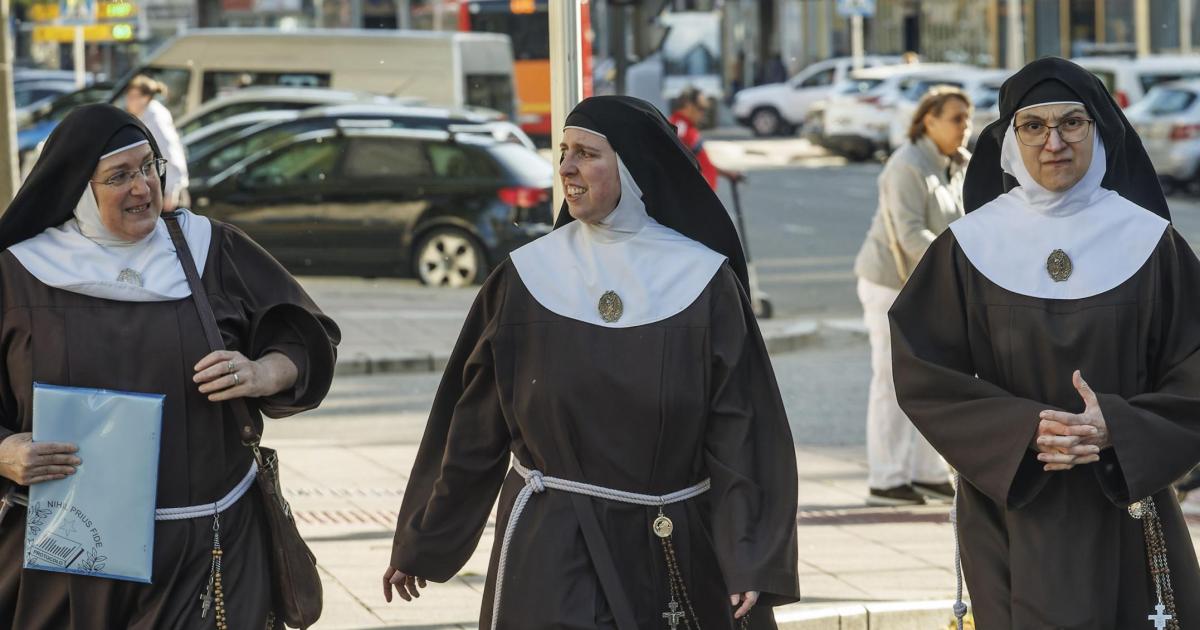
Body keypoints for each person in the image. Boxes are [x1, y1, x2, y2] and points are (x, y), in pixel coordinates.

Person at [383, 95, 801, 629]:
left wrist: (749, 556)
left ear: (631, 166)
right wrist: (425, 537)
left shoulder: (703, 282)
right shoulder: (526, 278)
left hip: (669, 546)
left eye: (586, 153)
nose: (566, 169)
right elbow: (471, 424)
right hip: (551, 546)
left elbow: (743, 433)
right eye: (563, 152)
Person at [0, 104, 340, 629]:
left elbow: (307, 339)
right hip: (65, 555)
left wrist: (262, 372)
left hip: (207, 550)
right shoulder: (19, 275)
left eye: (147, 167)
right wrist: (4, 453)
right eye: (119, 176)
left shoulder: (210, 248)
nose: (142, 187)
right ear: (78, 189)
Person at [892, 57, 1200, 627]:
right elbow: (922, 371)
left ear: (1099, 131)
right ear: (1010, 139)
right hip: (1016, 506)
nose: (1053, 142)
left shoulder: (1151, 242)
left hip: (1127, 503)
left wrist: (1121, 427)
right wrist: (1022, 430)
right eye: (1033, 126)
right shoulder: (970, 246)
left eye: (1072, 123)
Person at [852, 86, 972, 506]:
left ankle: (927, 472)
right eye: (957, 117)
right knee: (890, 381)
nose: (965, 126)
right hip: (890, 284)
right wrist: (965, 260)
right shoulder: (906, 165)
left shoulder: (956, 164)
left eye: (968, 117)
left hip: (929, 288)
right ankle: (886, 480)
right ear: (929, 121)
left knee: (934, 381)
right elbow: (909, 236)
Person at [124, 75, 189, 212]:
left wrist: (172, 190)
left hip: (170, 193)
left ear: (145, 98)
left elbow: (171, 152)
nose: (128, 101)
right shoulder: (145, 115)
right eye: (128, 96)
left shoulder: (155, 117)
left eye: (133, 96)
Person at [670, 86, 743, 190]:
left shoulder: (686, 127)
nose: (703, 114)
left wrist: (727, 173)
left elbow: (700, 161)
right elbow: (680, 165)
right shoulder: (680, 128)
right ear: (688, 105)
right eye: (701, 108)